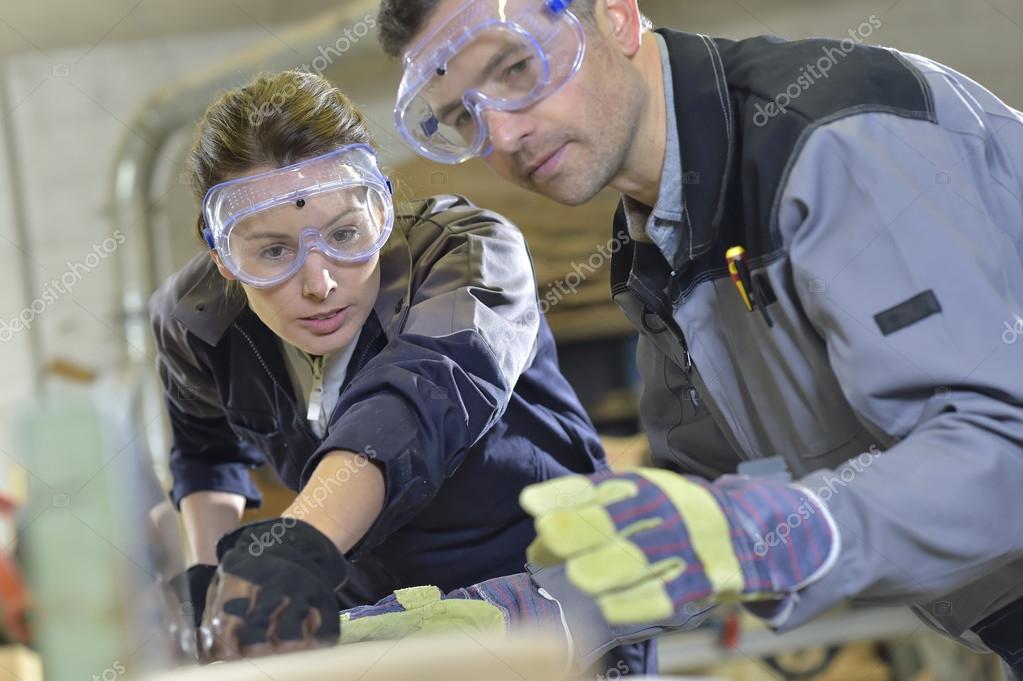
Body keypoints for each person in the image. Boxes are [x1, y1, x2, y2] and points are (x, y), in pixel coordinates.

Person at [373, 0, 1023, 676]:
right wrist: (525, 610)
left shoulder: (828, 138)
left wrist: (777, 537)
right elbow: (706, 501)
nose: (500, 135)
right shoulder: (656, 239)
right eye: (460, 118)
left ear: (617, 18)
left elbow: (1006, 451)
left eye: (513, 68)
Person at [150, 69, 615, 661]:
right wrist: (215, 585)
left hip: (554, 604)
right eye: (273, 251)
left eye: (345, 234)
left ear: (383, 209)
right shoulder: (197, 318)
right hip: (388, 619)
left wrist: (298, 544)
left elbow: (416, 402)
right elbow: (207, 453)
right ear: (221, 255)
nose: (319, 283)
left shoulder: (469, 255)